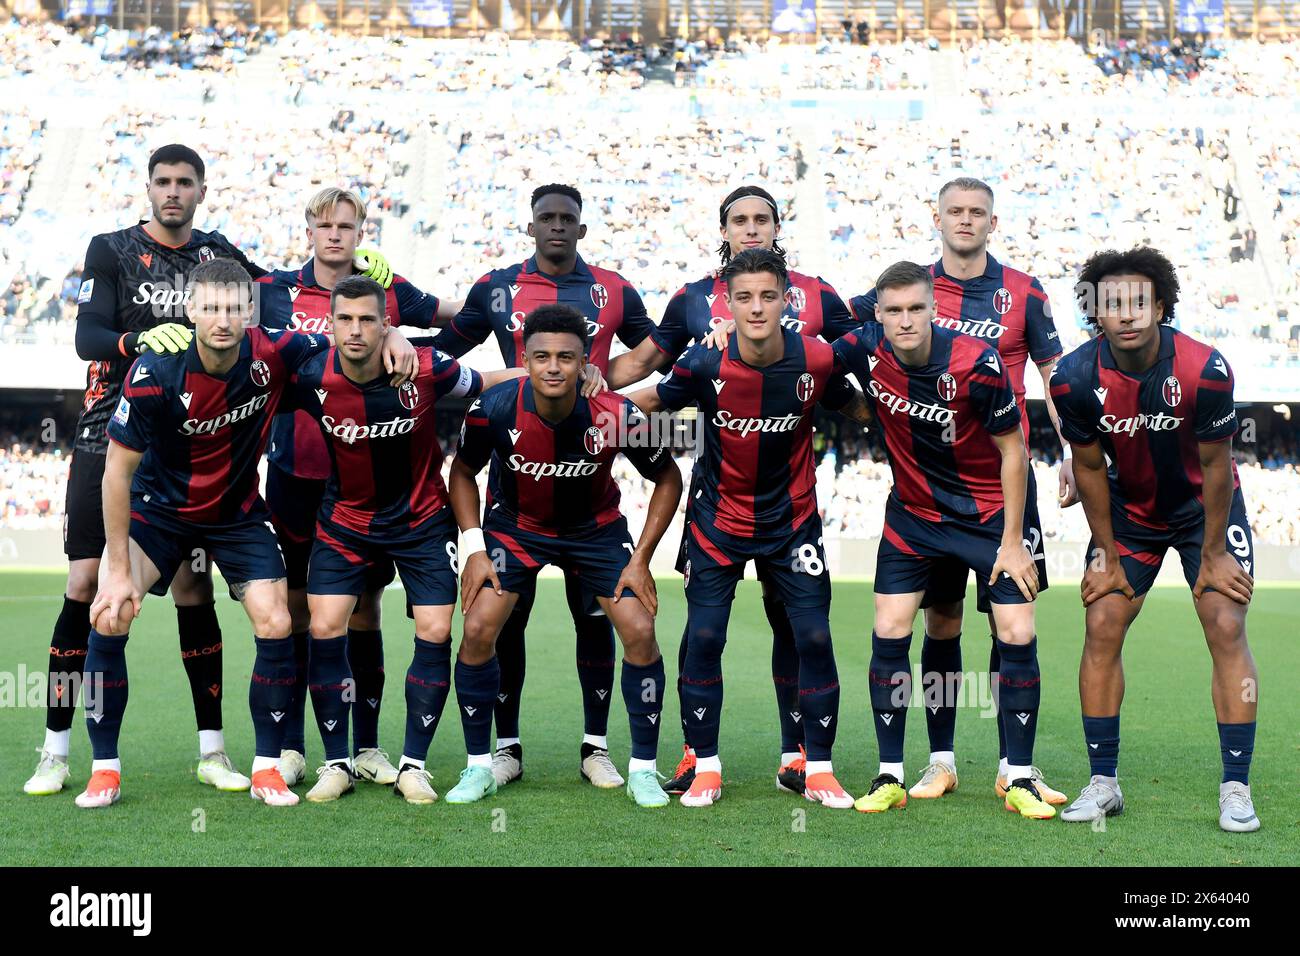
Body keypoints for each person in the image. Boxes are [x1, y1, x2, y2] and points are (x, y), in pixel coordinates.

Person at [24, 144, 391, 798]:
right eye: (162, 181)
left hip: (219, 485)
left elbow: (280, 291)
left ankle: (218, 751)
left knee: (202, 597)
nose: (173, 191)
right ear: (149, 187)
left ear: (199, 189)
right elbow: (86, 340)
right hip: (111, 435)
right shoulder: (109, 249)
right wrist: (139, 341)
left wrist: (377, 307)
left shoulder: (222, 259)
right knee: (93, 589)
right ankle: (59, 751)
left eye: (184, 182)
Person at [77, 258, 413, 808]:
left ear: (249, 311)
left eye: (234, 308)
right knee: (110, 612)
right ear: (191, 311)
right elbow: (117, 473)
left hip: (237, 515)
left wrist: (394, 330)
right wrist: (116, 570)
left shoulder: (275, 351)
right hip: (161, 512)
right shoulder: (155, 370)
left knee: (278, 619)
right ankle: (104, 769)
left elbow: (352, 341)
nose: (223, 319)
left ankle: (267, 769)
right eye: (210, 307)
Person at [606, 184, 858, 797]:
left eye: (761, 219)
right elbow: (648, 373)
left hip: (793, 510)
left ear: (778, 227)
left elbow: (873, 354)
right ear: (723, 231)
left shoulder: (821, 303)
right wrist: (575, 392)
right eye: (739, 220)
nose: (751, 227)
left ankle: (803, 759)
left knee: (804, 631)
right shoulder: (694, 309)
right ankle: (701, 757)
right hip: (716, 509)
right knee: (705, 633)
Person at [849, 176, 1070, 804]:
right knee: (940, 625)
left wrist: (1074, 452)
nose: (966, 220)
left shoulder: (1024, 292)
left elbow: (1054, 376)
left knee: (1013, 630)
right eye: (955, 211)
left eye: (977, 212)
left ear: (992, 222)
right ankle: (937, 762)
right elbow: (829, 337)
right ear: (937, 217)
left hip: (999, 486)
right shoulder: (905, 287)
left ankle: (1012, 768)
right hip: (922, 494)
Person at [435, 184, 653, 791]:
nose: (556, 226)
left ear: (581, 228)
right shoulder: (497, 287)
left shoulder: (613, 289)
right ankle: (501, 751)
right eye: (546, 218)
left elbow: (659, 344)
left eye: (567, 218)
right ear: (530, 226)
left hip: (592, 505)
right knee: (499, 624)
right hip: (518, 504)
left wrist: (607, 382)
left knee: (598, 624)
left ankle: (598, 749)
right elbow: (446, 358)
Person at [255, 186, 460, 790]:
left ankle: (366, 746)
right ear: (310, 228)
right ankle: (295, 745)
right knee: (300, 614)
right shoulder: (273, 291)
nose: (336, 234)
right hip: (299, 476)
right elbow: (250, 352)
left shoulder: (386, 289)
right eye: (326, 224)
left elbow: (458, 321)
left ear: (361, 229)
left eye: (348, 225)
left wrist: (403, 333)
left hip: (379, 487)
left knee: (366, 611)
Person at [286, 275, 518, 803]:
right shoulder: (308, 374)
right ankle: (337, 762)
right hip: (345, 522)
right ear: (329, 324)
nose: (356, 330)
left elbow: (487, 382)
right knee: (324, 625)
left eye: (368, 319)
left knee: (436, 629)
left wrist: (567, 373)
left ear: (386, 323)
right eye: (345, 319)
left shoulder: (426, 368)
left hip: (421, 522)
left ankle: (414, 764)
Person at [1051, 246, 1260, 833]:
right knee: (1101, 622)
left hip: (1203, 515)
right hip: (1130, 516)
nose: (1127, 312)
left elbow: (1218, 465)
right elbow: (1089, 469)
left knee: (1225, 622)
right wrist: (1106, 554)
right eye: (1112, 303)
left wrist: (1214, 553)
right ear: (1095, 313)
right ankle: (1104, 782)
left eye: (1139, 300)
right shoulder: (1072, 379)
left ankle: (1236, 787)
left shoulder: (1205, 368)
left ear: (1161, 304)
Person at [445, 304, 682, 807]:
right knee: (479, 627)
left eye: (566, 357)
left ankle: (641, 768)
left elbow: (668, 477)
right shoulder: (493, 407)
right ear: (525, 360)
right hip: (517, 529)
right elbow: (461, 473)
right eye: (542, 356)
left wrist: (640, 559)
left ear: (584, 363)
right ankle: (479, 765)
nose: (553, 366)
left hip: (594, 533)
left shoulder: (616, 414)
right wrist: (474, 548)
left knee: (639, 630)